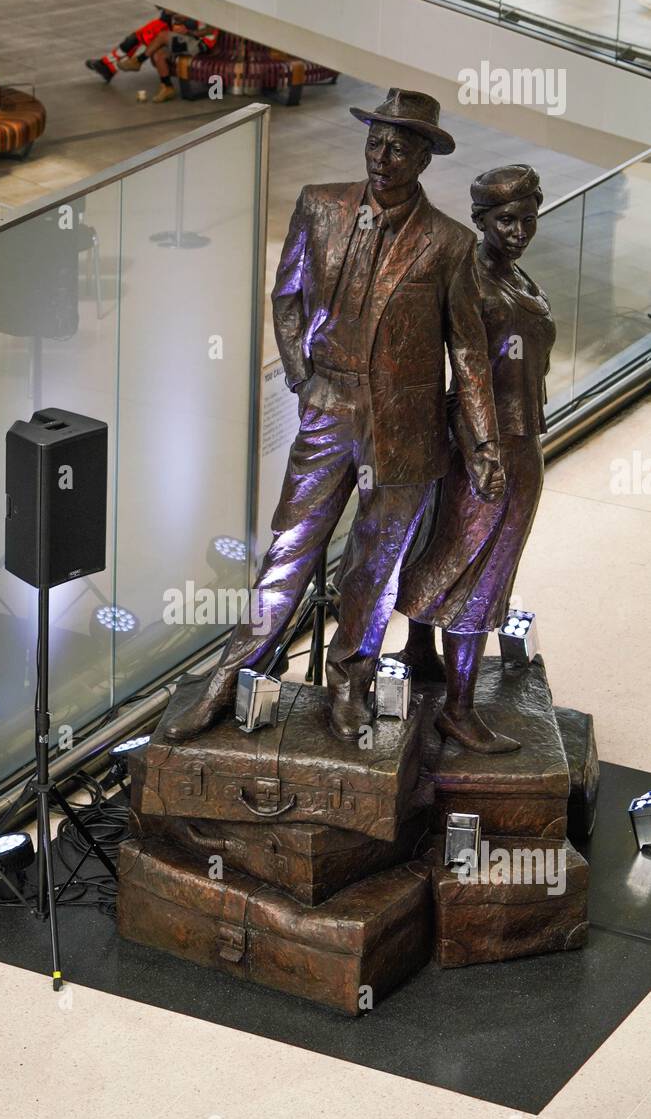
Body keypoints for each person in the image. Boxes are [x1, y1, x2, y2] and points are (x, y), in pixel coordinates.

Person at [162, 89, 503, 744]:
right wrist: (299, 376)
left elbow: (467, 351)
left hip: (404, 430)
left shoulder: (450, 244)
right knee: (289, 548)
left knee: (371, 568)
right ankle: (230, 677)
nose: (383, 154)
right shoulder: (319, 204)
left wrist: (483, 441)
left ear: (424, 158)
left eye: (399, 145)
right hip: (327, 409)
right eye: (375, 140)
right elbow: (286, 296)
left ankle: (350, 682)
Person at [395, 165, 554, 754]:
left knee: (446, 547)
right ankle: (459, 712)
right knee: (481, 573)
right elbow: (472, 373)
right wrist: (485, 449)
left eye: (527, 219)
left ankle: (419, 653)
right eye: (504, 221)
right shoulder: (478, 282)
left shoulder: (511, 275)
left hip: (500, 435)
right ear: (480, 222)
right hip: (496, 443)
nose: (518, 231)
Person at [144, 14, 219, 103]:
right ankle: (167, 86)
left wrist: (188, 32)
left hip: (203, 44)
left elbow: (210, 30)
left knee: (163, 36)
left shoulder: (211, 9)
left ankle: (139, 60)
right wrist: (180, 18)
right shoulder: (194, 6)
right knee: (158, 54)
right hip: (190, 40)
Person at [84, 9, 171, 83]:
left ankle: (106, 65)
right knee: (134, 38)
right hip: (165, 22)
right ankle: (109, 67)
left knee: (136, 38)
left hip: (171, 26)